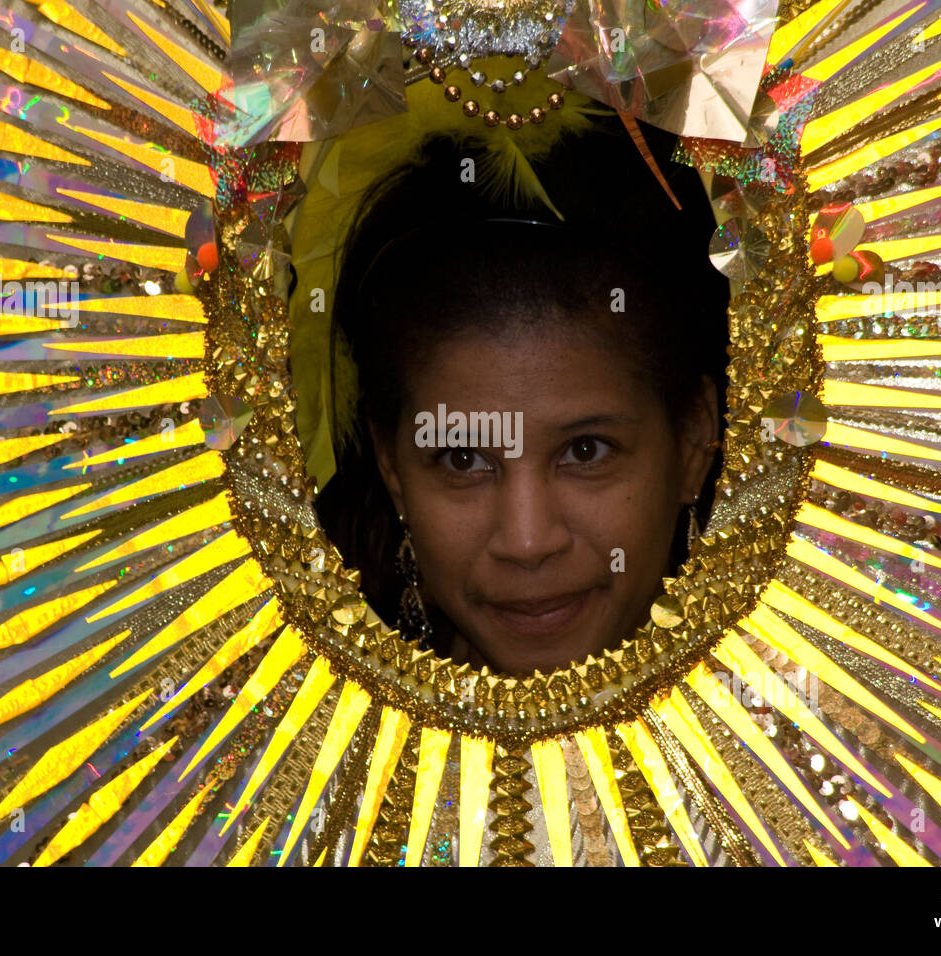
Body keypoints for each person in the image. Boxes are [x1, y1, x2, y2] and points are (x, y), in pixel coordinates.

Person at [302, 113, 730, 676]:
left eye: (585, 451)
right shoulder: (307, 751)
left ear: (694, 440)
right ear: (392, 469)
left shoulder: (799, 743)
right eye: (464, 458)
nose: (527, 542)